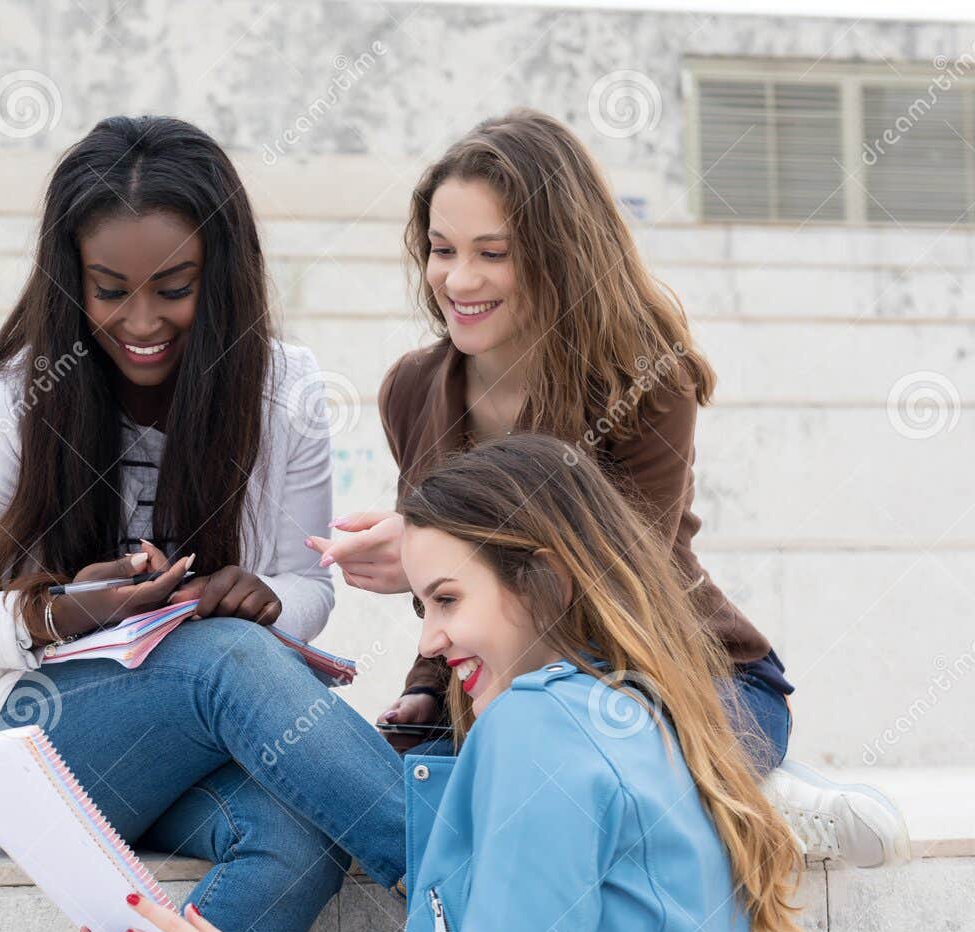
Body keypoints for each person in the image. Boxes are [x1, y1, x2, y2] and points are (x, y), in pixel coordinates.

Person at [51, 433, 805, 932]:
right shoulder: (640, 725)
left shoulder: (538, 728)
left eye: (447, 599)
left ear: (544, 582)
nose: (429, 641)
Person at [306, 109, 906, 869]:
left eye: (493, 253)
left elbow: (619, 582)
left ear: (561, 255)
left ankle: (755, 792)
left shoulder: (646, 382)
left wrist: (443, 545)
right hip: (499, 692)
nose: (458, 279)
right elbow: (457, 600)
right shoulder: (414, 390)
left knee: (576, 757)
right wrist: (429, 681)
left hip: (667, 673)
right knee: (389, 790)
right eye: (441, 249)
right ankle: (731, 793)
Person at [0, 115, 406, 932]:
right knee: (228, 657)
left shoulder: (285, 393)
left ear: (223, 276)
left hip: (182, 741)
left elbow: (310, 590)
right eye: (108, 288)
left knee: (299, 831)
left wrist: (265, 599)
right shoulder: (8, 409)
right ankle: (466, 893)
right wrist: (55, 613)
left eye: (174, 286)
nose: (142, 319)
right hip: (30, 742)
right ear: (69, 281)